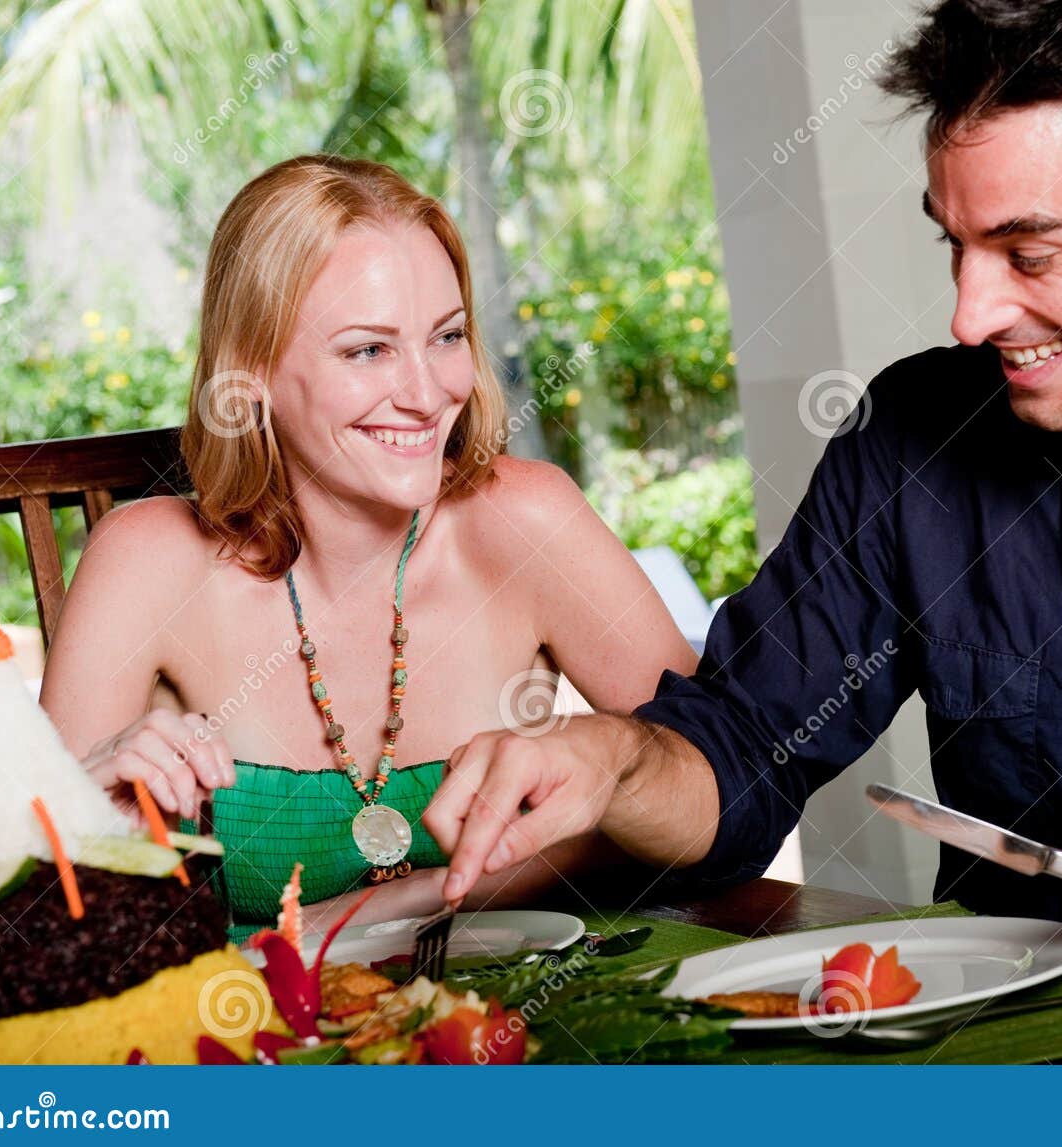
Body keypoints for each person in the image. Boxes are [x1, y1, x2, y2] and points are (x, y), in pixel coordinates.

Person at [423, 0, 1062, 1013]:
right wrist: (610, 761)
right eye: (954, 245)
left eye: (1030, 253)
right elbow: (743, 753)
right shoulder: (914, 442)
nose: (971, 315)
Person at [41, 154, 697, 939]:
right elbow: (37, 917)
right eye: (368, 350)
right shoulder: (148, 560)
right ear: (249, 375)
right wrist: (88, 823)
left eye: (447, 336)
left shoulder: (526, 520)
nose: (428, 395)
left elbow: (709, 789)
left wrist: (395, 902)